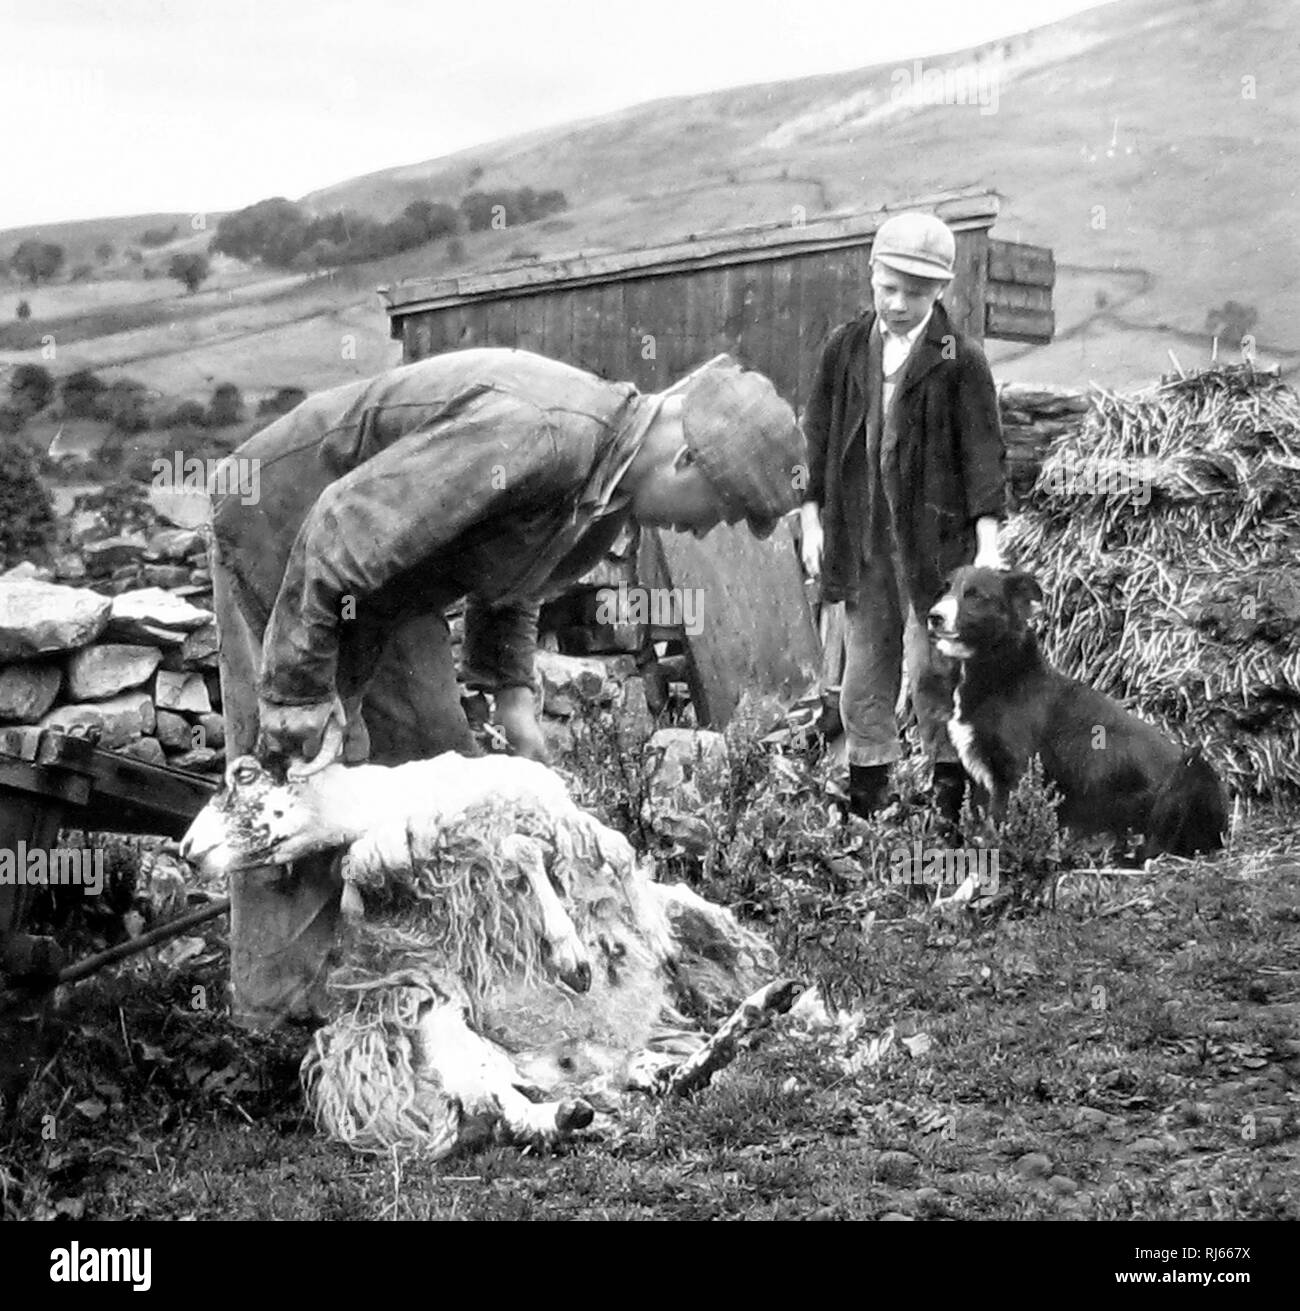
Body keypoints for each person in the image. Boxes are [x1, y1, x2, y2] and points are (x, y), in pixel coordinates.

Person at [209, 346, 804, 1027]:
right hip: (286, 523)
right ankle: (287, 1028)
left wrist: (512, 695)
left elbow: (512, 559)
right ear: (687, 460)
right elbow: (344, 525)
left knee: (435, 769)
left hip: (382, 572)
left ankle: (415, 996)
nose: (703, 529)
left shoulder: (610, 485)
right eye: (718, 511)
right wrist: (297, 688)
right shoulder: (543, 431)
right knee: (305, 789)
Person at [799, 212, 1006, 824]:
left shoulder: (960, 359)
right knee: (865, 669)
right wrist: (812, 521)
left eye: (914, 294)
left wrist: (988, 544)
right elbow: (813, 440)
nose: (896, 303)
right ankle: (867, 810)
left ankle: (946, 813)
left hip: (934, 549)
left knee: (932, 669)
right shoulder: (843, 348)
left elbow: (984, 456)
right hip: (861, 541)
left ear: (941, 290)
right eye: (887, 288)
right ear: (871, 274)